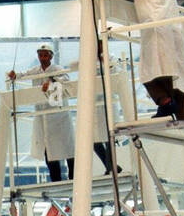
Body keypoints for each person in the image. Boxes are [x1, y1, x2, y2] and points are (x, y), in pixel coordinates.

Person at [89, 0, 184, 120]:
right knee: (167, 71)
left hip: (157, 26)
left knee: (150, 72)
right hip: (161, 26)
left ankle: (166, 104)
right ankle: (178, 112)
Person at [8, 45, 119, 179]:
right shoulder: (36, 70)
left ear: (51, 56)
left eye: (45, 55)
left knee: (69, 149)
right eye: (40, 55)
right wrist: (15, 75)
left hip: (60, 116)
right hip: (44, 117)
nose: (42, 58)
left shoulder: (57, 69)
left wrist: (51, 81)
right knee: (49, 151)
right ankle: (56, 179)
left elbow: (65, 78)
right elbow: (23, 74)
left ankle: (82, 175)